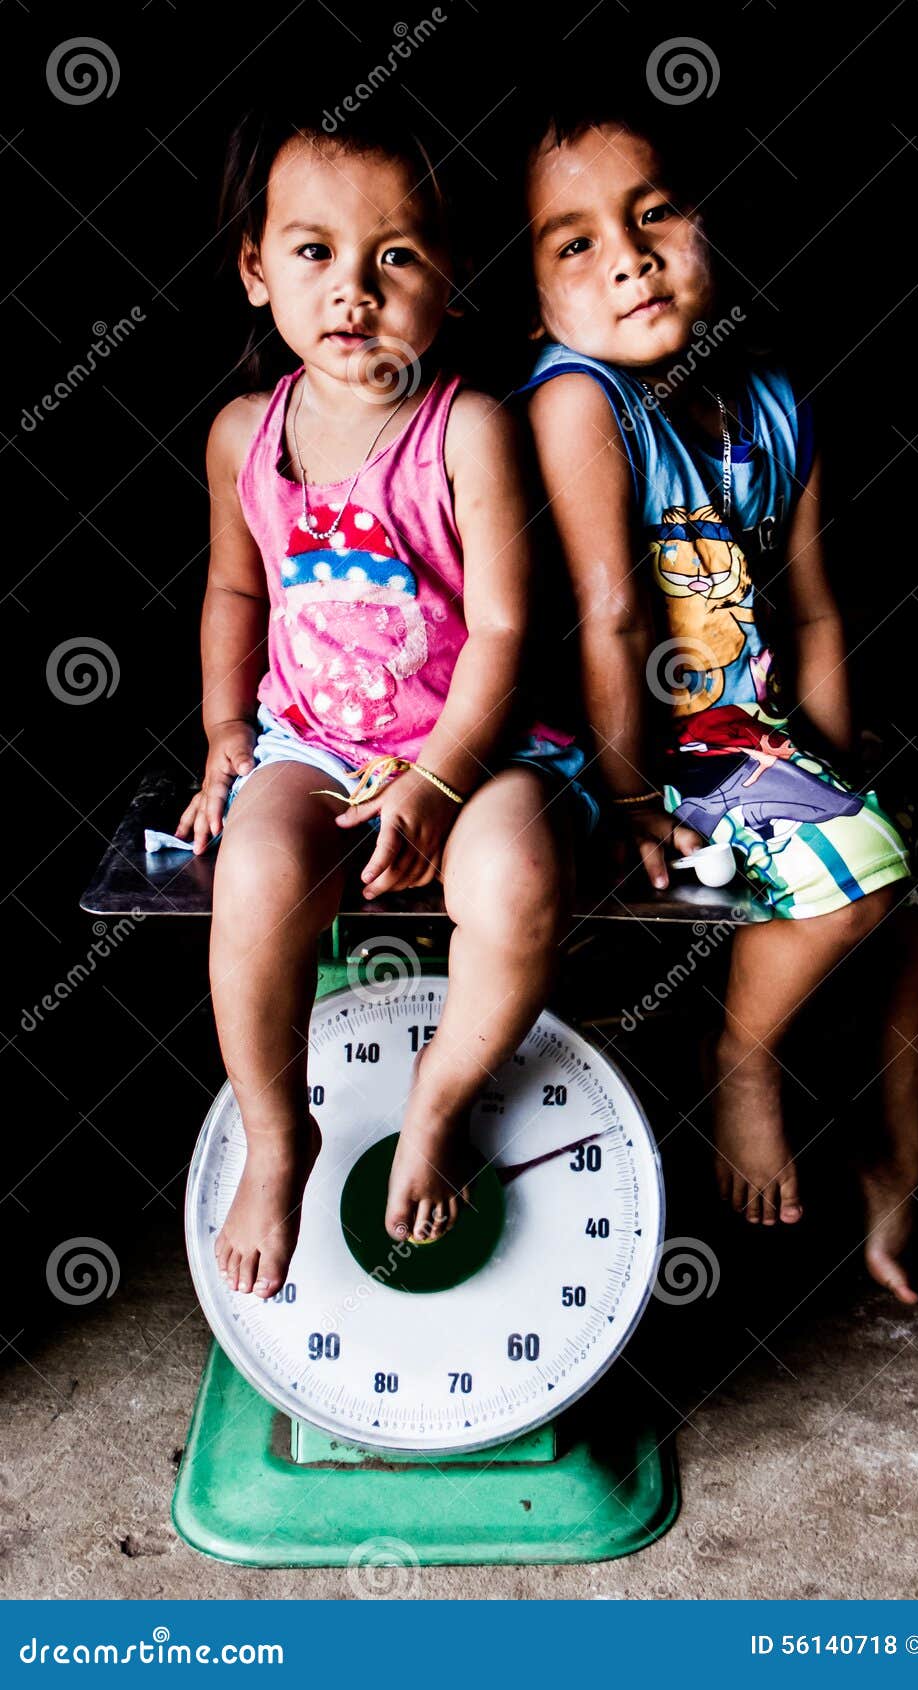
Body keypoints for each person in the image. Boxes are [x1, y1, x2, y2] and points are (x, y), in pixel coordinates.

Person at [173, 102, 597, 1300]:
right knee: (255, 872)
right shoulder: (243, 437)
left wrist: (439, 778)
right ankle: (276, 1130)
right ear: (257, 272)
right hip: (314, 742)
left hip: (476, 747)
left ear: (451, 279)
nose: (352, 288)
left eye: (395, 256)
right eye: (314, 253)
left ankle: (437, 1103)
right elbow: (231, 593)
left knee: (514, 879)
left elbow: (506, 628)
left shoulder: (467, 427)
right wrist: (223, 743)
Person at [519, 101, 918, 1300]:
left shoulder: (771, 399)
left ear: (709, 224)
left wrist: (840, 778)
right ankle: (738, 1053)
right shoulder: (578, 402)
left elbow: (809, 613)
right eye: (574, 243)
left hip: (753, 743)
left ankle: (891, 1174)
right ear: (536, 297)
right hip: (650, 750)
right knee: (862, 869)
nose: (629, 257)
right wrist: (631, 791)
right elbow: (608, 617)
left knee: (916, 915)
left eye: (653, 215)